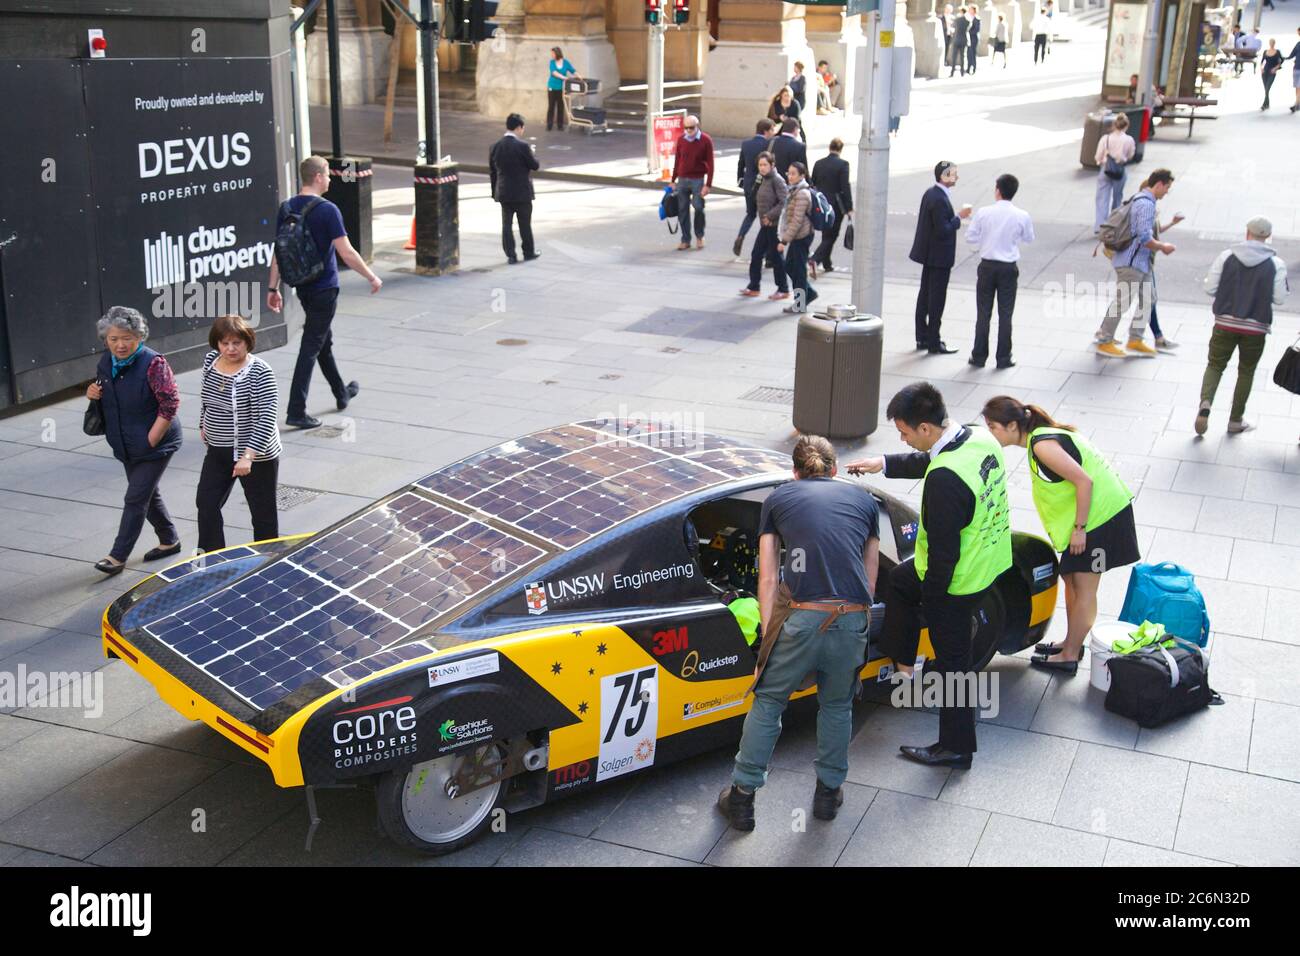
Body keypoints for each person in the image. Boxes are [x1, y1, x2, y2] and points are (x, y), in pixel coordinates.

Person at [717, 435, 880, 831]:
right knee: (838, 705)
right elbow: (869, 572)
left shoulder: (778, 499)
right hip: (852, 615)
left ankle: (742, 798)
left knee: (770, 701)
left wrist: (767, 642)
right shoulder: (866, 501)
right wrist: (855, 620)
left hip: (802, 617)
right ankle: (828, 793)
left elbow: (769, 577)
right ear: (836, 469)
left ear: (795, 471)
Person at [845, 383, 1012, 770]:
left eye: (904, 432)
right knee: (902, 582)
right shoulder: (980, 439)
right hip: (989, 563)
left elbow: (943, 556)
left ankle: (956, 747)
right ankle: (905, 665)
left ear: (925, 427)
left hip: (957, 582)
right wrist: (883, 464)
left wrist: (934, 605)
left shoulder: (944, 482)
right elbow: (933, 458)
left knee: (955, 665)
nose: (902, 437)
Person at [981, 397, 1138, 674]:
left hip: (1101, 520)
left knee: (1085, 588)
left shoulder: (1042, 445)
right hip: (1087, 520)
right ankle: (1071, 643)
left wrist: (1080, 529)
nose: (990, 433)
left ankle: (1069, 655)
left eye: (993, 427)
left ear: (1013, 425)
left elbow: (1083, 481)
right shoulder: (1038, 439)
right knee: (1071, 580)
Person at [268, 155, 378, 430]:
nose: (330, 179)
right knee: (311, 346)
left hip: (302, 286)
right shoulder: (328, 210)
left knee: (321, 341)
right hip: (324, 287)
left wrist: (273, 287)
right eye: (328, 174)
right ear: (318, 177)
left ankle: (341, 392)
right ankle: (296, 409)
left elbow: (278, 251)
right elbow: (347, 253)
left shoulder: (287, 207)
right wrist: (371, 276)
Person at [86, 307, 182, 576]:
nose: (120, 344)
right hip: (126, 442)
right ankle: (169, 540)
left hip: (156, 444)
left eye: (126, 337)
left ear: (139, 337)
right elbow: (107, 394)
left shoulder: (154, 364)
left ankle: (117, 556)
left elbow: (171, 402)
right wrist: (92, 392)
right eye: (113, 338)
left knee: (136, 497)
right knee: (148, 494)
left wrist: (153, 436)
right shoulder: (106, 362)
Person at [196, 314, 283, 554]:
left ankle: (267, 561)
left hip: (254, 456)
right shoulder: (211, 360)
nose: (230, 349)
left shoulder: (260, 372)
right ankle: (213, 559)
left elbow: (267, 418)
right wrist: (202, 424)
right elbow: (206, 398)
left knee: (262, 513)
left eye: (237, 343)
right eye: (224, 343)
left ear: (248, 342)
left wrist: (248, 457)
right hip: (218, 450)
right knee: (206, 503)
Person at [1196, 217, 1290, 435]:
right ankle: (1235, 420)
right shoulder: (1276, 264)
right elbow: (1279, 299)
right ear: (1267, 237)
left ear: (1247, 233)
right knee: (1246, 371)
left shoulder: (1226, 256)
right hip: (1256, 328)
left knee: (1215, 366)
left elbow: (1210, 289)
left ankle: (1206, 403)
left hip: (1224, 323)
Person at [1096, 168, 1176, 357]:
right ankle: (1105, 339)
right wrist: (1163, 246)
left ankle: (1135, 339)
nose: (1167, 192)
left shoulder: (1140, 199)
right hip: (1131, 262)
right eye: (1167, 188)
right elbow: (1144, 237)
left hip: (1142, 262)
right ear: (1158, 184)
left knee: (1149, 298)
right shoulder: (1146, 204)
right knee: (1123, 301)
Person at [966, 173, 1035, 369]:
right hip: (1008, 267)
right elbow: (1029, 238)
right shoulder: (1022, 215)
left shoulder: (984, 212)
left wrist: (986, 240)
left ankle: (978, 356)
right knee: (1005, 314)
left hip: (987, 266)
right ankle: (1003, 357)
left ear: (998, 190)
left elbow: (970, 237)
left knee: (983, 313)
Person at [910, 160, 971, 354]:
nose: (957, 177)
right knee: (936, 299)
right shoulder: (939, 199)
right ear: (944, 176)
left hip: (930, 255)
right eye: (953, 174)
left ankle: (922, 337)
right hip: (939, 257)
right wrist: (959, 217)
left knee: (925, 296)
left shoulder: (931, 194)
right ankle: (934, 341)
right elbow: (943, 229)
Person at [489, 113, 541, 265]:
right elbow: (535, 165)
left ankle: (511, 255)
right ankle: (528, 252)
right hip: (522, 192)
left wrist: (495, 192)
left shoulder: (495, 146)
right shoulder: (523, 146)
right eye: (522, 128)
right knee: (524, 223)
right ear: (519, 127)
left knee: (506, 224)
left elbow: (493, 172)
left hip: (504, 192)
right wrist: (533, 153)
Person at [739, 152, 790, 301]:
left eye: (765, 165)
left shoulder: (777, 180)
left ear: (772, 165)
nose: (762, 168)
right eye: (760, 165)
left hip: (774, 225)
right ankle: (754, 286)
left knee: (776, 257)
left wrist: (770, 216)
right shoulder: (762, 179)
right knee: (756, 254)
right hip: (765, 224)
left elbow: (784, 202)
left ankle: (783, 289)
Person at [778, 162, 818, 315]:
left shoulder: (802, 193)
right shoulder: (794, 190)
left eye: (793, 173)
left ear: (802, 176)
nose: (790, 176)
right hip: (797, 236)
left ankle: (800, 304)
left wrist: (784, 241)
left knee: (798, 271)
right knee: (790, 266)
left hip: (802, 236)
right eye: (789, 173)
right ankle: (809, 293)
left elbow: (797, 221)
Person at [671, 114, 714, 251]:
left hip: (698, 179)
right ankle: (685, 239)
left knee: (699, 207)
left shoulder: (706, 140)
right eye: (686, 128)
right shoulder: (681, 140)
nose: (688, 131)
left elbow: (711, 163)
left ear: (697, 126)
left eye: (691, 128)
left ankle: (700, 236)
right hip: (682, 179)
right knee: (682, 210)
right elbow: (677, 160)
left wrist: (708, 184)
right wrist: (673, 180)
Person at [810, 138, 853, 274]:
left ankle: (827, 263)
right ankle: (815, 260)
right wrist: (849, 207)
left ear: (830, 147)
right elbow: (845, 187)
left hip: (820, 203)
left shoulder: (819, 163)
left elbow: (813, 183)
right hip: (835, 205)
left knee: (826, 234)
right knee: (831, 236)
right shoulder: (843, 165)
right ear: (840, 149)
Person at [734, 118, 775, 257]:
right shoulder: (769, 144)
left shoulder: (746, 143)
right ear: (766, 131)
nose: (773, 133)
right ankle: (764, 250)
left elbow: (741, 164)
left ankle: (741, 235)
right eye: (772, 130)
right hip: (763, 185)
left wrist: (740, 179)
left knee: (750, 214)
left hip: (748, 182)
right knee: (766, 217)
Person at [1094, 112, 1135, 232]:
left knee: (1102, 198)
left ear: (1114, 125)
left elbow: (1097, 156)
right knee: (1117, 198)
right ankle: (1113, 225)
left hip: (1106, 169)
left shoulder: (1105, 139)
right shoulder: (1129, 140)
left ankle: (1100, 225)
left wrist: (1101, 161)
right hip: (1120, 170)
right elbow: (1131, 155)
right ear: (1126, 126)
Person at [545, 47, 578, 131]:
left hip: (561, 88)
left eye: (553, 53)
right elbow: (554, 72)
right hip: (552, 87)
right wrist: (564, 77)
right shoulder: (552, 62)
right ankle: (549, 124)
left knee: (560, 106)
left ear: (557, 53)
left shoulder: (566, 62)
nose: (551, 55)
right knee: (551, 106)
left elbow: (573, 71)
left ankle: (560, 125)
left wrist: (579, 76)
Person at [1262, 38, 1283, 110]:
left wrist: (1276, 68)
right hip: (1265, 72)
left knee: (1267, 88)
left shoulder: (1277, 52)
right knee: (1266, 89)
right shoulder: (1265, 51)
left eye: (1272, 42)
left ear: (1274, 43)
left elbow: (1281, 61)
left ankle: (1264, 104)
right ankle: (1267, 103)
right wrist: (1261, 68)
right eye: (1270, 42)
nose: (1271, 44)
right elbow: (1262, 61)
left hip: (1272, 72)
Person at [950, 6, 970, 76]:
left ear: (961, 11)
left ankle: (952, 72)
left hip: (956, 39)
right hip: (964, 40)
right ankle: (962, 72)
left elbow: (953, 28)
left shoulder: (957, 20)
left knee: (954, 56)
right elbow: (968, 29)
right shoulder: (968, 21)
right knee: (962, 57)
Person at [1285, 28, 1300, 113]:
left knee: (1298, 86)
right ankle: (1297, 103)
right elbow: (1292, 55)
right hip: (1296, 68)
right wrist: (1283, 58)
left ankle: (1297, 104)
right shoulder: (1298, 44)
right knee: (1297, 87)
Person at [966, 5, 981, 75]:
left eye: (970, 9)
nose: (969, 10)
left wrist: (968, 32)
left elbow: (977, 29)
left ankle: (974, 67)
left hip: (974, 38)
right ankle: (968, 68)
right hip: (968, 38)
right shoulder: (968, 18)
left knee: (973, 53)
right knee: (969, 53)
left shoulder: (977, 19)